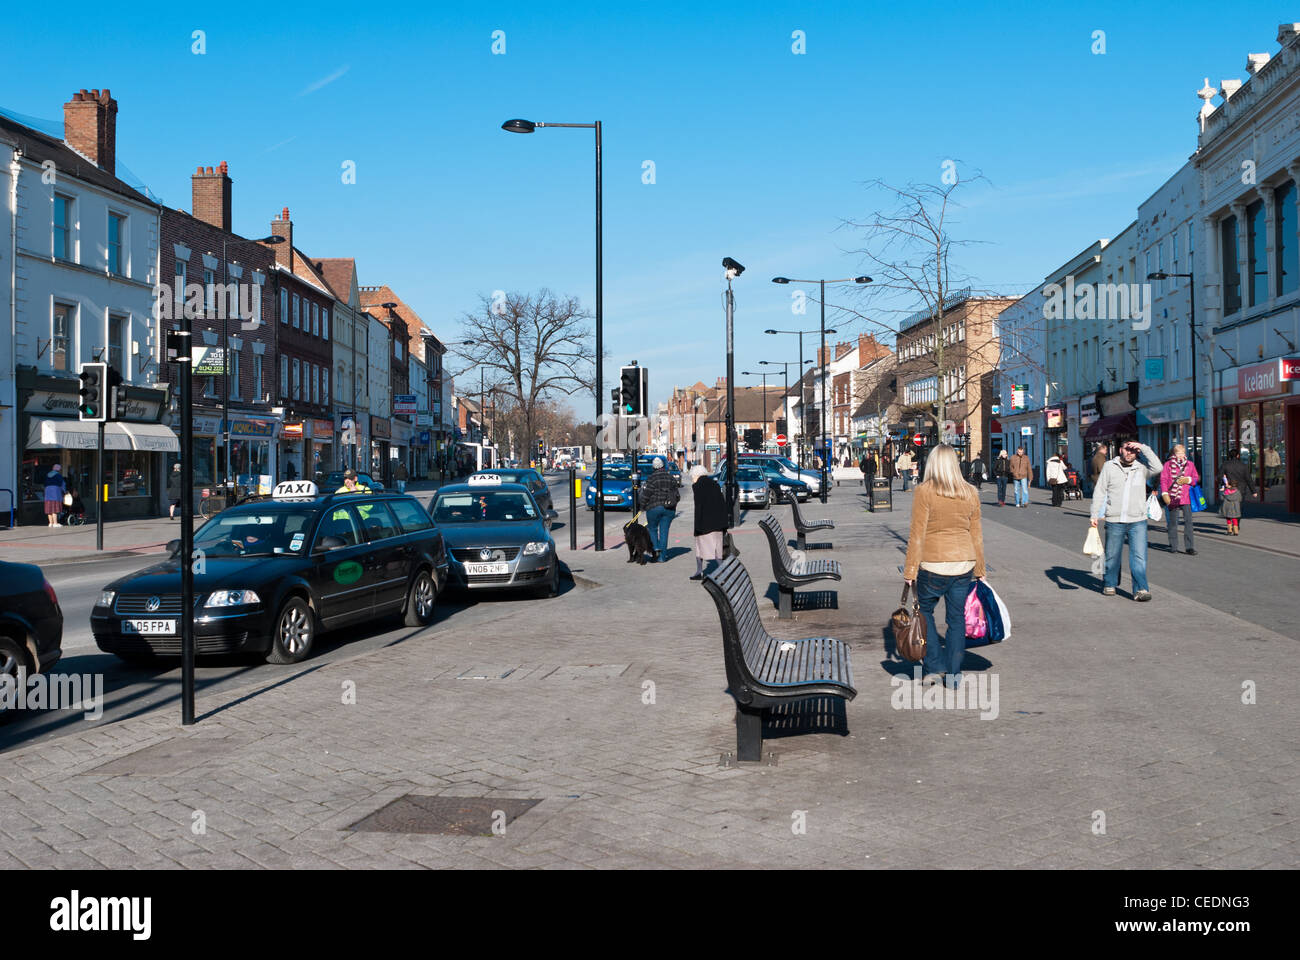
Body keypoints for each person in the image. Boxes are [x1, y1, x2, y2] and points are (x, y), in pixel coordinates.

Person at [902, 444, 986, 690]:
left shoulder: (924, 491)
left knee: (924, 613)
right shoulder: (970, 492)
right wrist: (980, 568)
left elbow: (917, 534)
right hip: (963, 563)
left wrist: (910, 571)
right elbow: (976, 534)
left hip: (933, 563)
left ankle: (934, 667)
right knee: (957, 619)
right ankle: (954, 674)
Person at [1090, 440, 1163, 601]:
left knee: (1139, 556)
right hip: (1115, 519)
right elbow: (1100, 490)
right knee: (1112, 555)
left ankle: (1141, 589)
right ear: (1120, 450)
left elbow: (1158, 467)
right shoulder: (1110, 466)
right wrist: (1094, 514)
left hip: (1137, 520)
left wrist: (1144, 447)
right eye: (1126, 449)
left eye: (1133, 450)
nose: (1129, 453)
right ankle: (1110, 583)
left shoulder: (1141, 468)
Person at [688, 464, 728, 581]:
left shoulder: (698, 486)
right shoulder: (714, 484)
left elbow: (699, 506)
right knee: (717, 549)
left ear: (696, 476)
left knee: (703, 548)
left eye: (692, 477)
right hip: (718, 523)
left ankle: (720, 571)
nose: (692, 480)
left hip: (705, 524)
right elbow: (721, 503)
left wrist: (697, 527)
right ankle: (700, 571)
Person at [1159, 443, 1199, 555]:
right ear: (1174, 454)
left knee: (1189, 522)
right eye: (1178, 453)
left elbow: (1196, 478)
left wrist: (1189, 480)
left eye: (1182, 453)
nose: (1180, 455)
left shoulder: (1190, 464)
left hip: (1185, 497)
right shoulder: (1167, 465)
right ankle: (1173, 545)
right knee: (1173, 522)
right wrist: (1165, 493)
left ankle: (1189, 547)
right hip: (1172, 497)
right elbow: (1164, 480)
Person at [641, 457, 679, 563]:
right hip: (669, 509)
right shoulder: (671, 478)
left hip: (654, 508)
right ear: (663, 466)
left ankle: (656, 547)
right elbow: (677, 496)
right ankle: (662, 557)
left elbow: (646, 494)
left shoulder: (651, 478)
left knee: (652, 528)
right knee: (664, 532)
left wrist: (642, 506)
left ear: (653, 467)